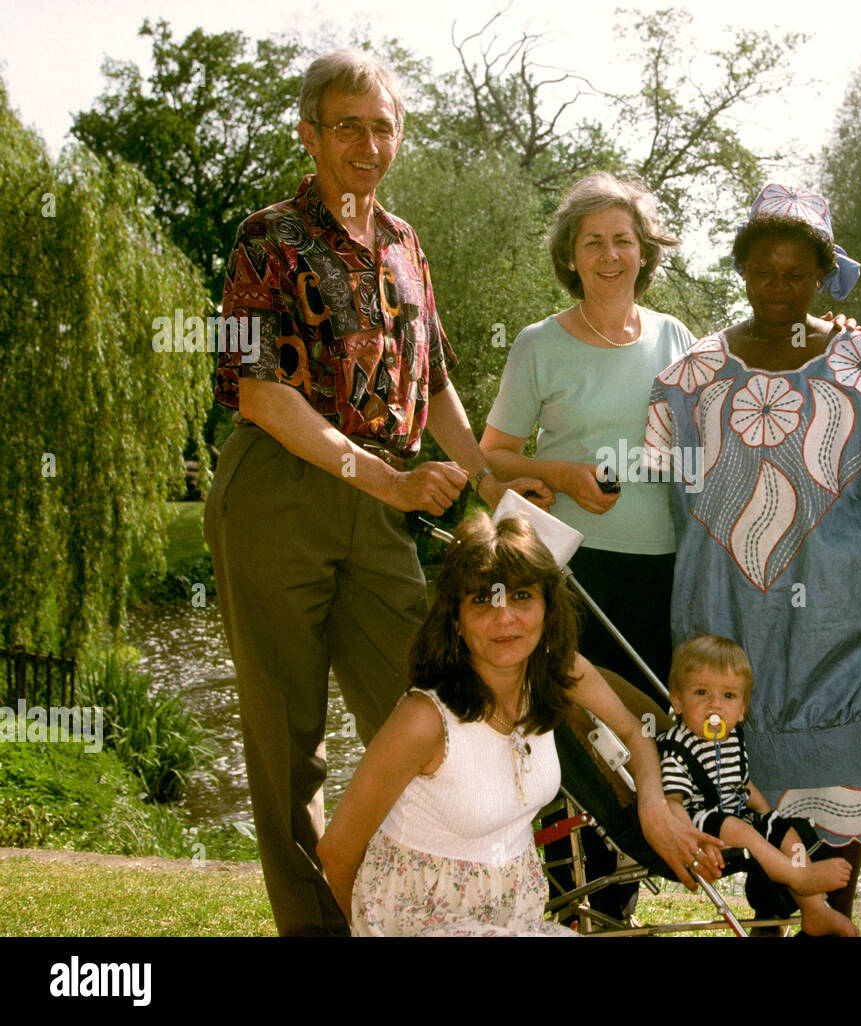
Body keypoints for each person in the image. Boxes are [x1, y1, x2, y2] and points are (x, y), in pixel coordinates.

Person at [203, 49, 549, 936]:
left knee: (437, 698)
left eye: (383, 125)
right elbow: (257, 390)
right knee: (289, 740)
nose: (367, 142)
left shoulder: (404, 243)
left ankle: (438, 910)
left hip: (387, 506)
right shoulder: (265, 237)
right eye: (348, 124)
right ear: (310, 132)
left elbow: (431, 387)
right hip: (283, 488)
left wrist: (486, 479)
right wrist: (386, 478)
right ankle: (317, 929)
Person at [644, 184, 861, 926]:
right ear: (739, 270)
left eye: (796, 273)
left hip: (846, 632)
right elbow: (666, 497)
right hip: (729, 633)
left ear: (824, 275)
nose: (778, 287)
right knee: (749, 810)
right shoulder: (690, 376)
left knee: (837, 832)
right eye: (764, 271)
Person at [317, 513, 723, 935]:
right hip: (424, 924)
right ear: (455, 619)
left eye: (522, 596)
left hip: (517, 919)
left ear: (548, 607)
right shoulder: (424, 721)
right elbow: (337, 851)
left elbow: (634, 731)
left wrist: (654, 807)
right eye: (481, 600)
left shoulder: (557, 672)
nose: (505, 617)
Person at [480, 173, 695, 700]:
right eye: (592, 242)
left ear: (644, 253)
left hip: (667, 567)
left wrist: (823, 338)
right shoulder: (537, 344)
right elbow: (491, 456)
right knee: (573, 731)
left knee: (658, 726)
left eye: (623, 240)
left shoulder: (678, 338)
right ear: (570, 257)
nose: (610, 254)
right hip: (568, 566)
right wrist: (561, 475)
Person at [658, 635, 858, 936]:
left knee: (787, 830)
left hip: (733, 816)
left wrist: (766, 812)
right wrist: (691, 840)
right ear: (677, 700)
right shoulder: (678, 747)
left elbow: (742, 783)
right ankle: (798, 877)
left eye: (728, 696)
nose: (715, 705)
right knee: (736, 827)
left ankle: (813, 907)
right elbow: (672, 801)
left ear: (742, 710)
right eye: (701, 692)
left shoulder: (733, 739)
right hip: (699, 824)